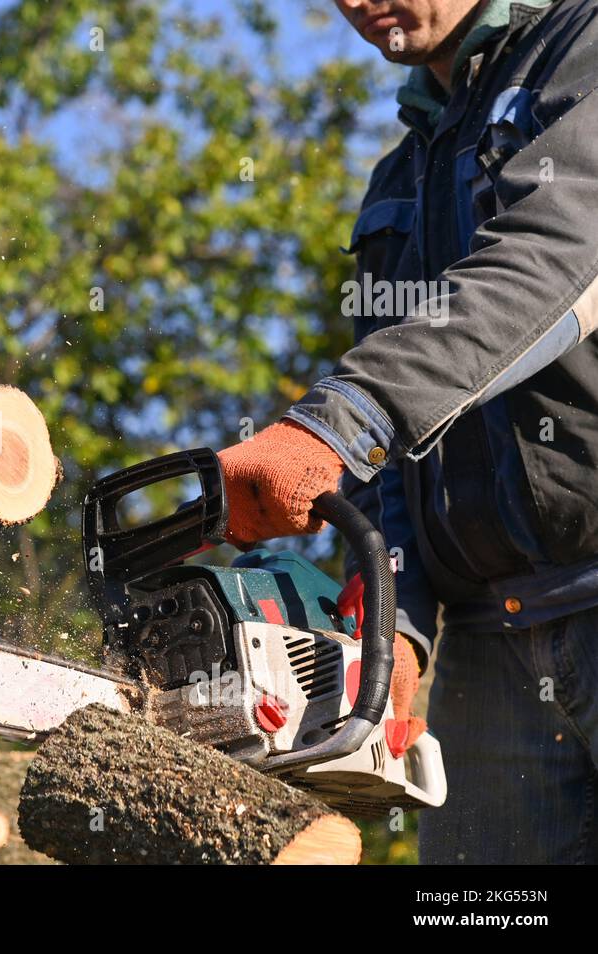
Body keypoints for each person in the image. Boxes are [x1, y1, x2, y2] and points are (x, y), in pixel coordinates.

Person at [217, 0, 598, 863]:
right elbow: (397, 457)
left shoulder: (585, 47)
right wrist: (398, 619)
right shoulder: (403, 172)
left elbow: (557, 257)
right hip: (491, 646)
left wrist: (337, 421)